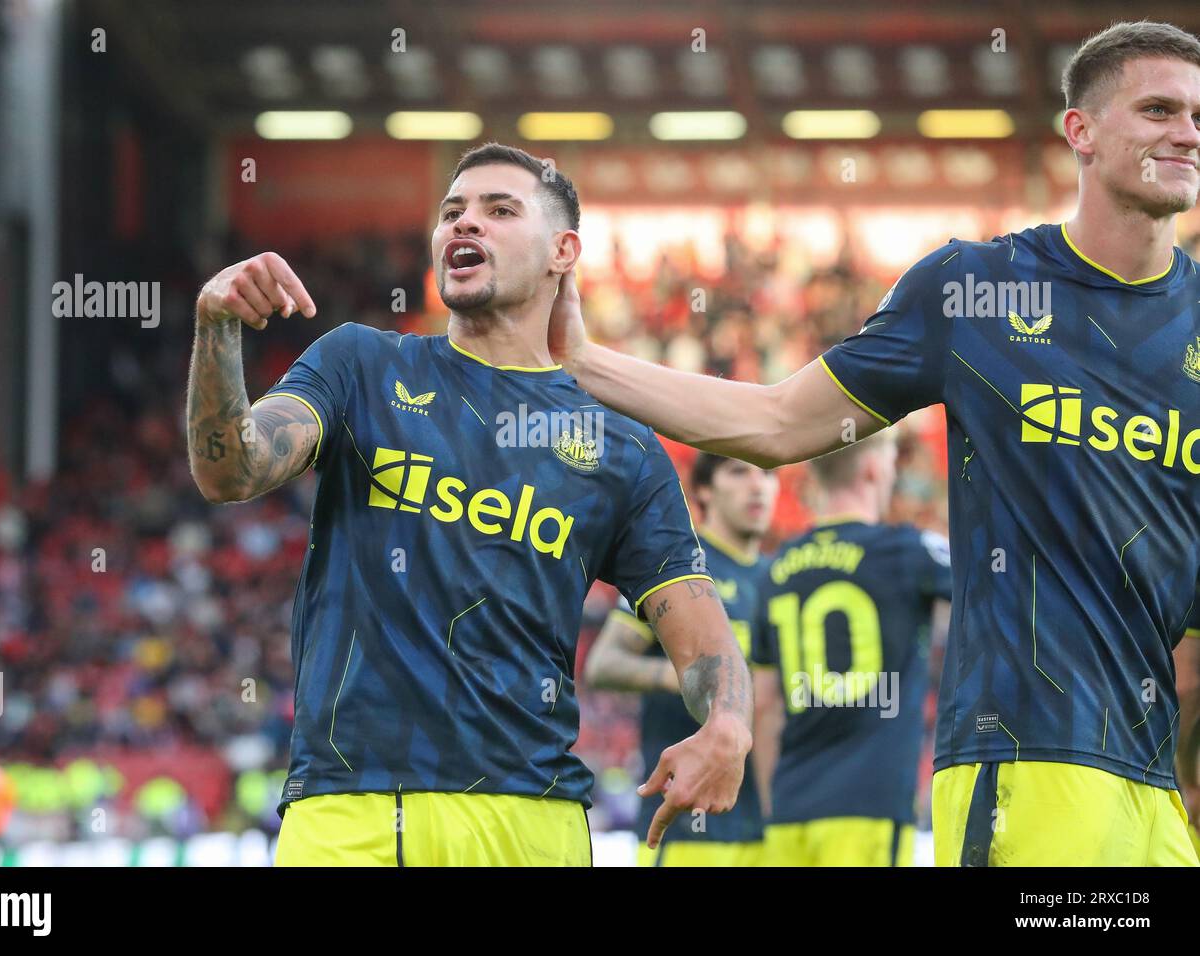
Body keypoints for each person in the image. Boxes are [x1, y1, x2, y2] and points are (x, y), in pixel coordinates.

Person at [546, 21, 1200, 865]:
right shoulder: (976, 290)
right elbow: (778, 423)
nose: (1186, 131)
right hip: (1031, 762)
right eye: (1157, 109)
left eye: (1195, 114)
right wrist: (586, 362)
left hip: (1160, 788)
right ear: (1082, 131)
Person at [186, 143, 752, 865]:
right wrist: (217, 328)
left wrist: (729, 725)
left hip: (530, 819)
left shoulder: (620, 444)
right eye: (452, 211)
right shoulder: (360, 363)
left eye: (499, 210)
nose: (466, 223)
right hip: (349, 810)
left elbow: (704, 641)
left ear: (561, 251)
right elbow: (230, 471)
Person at [754, 432, 950, 866]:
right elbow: (996, 587)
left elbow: (764, 706)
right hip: (869, 807)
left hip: (791, 810)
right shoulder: (907, 551)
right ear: (873, 468)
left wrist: (775, 808)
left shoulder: (776, 570)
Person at [585, 452, 778, 865]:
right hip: (686, 826)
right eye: (739, 472)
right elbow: (603, 664)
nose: (758, 485)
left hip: (767, 827)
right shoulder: (677, 566)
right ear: (705, 490)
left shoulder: (777, 577)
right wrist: (700, 678)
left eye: (768, 473)